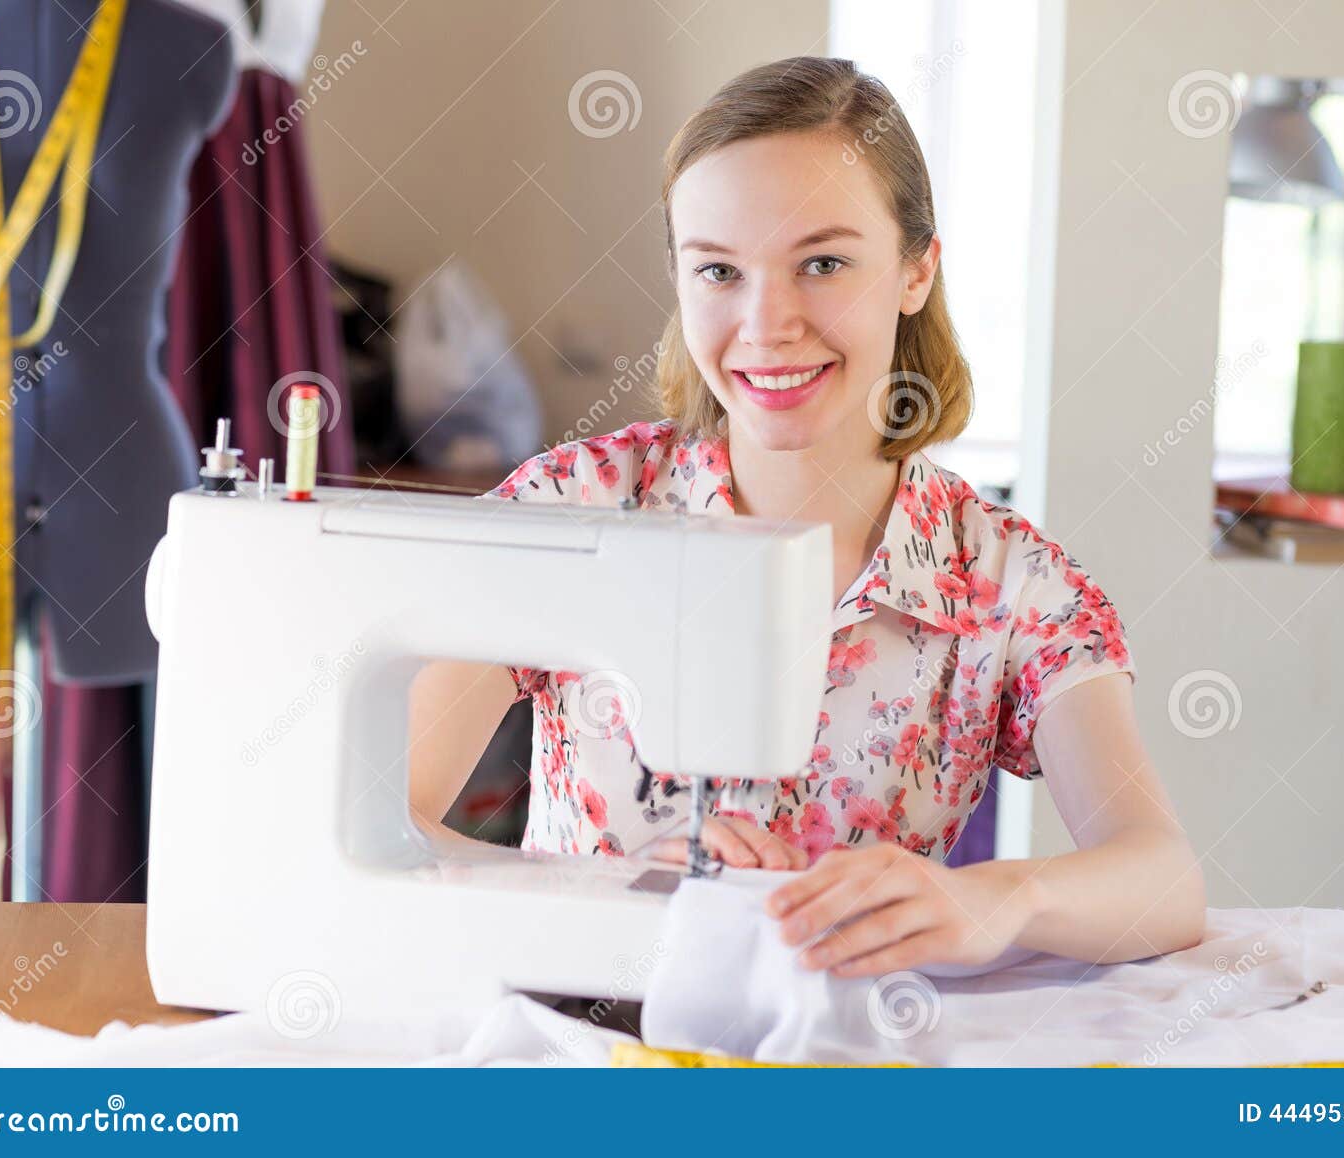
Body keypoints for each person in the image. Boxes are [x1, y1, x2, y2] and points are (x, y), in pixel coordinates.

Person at [410, 56, 1204, 977]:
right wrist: (609, 899)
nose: (766, 322)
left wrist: (998, 895)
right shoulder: (571, 512)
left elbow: (1163, 879)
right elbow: (385, 824)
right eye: (718, 271)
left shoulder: (1009, 586)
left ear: (916, 271)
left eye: (822, 263)